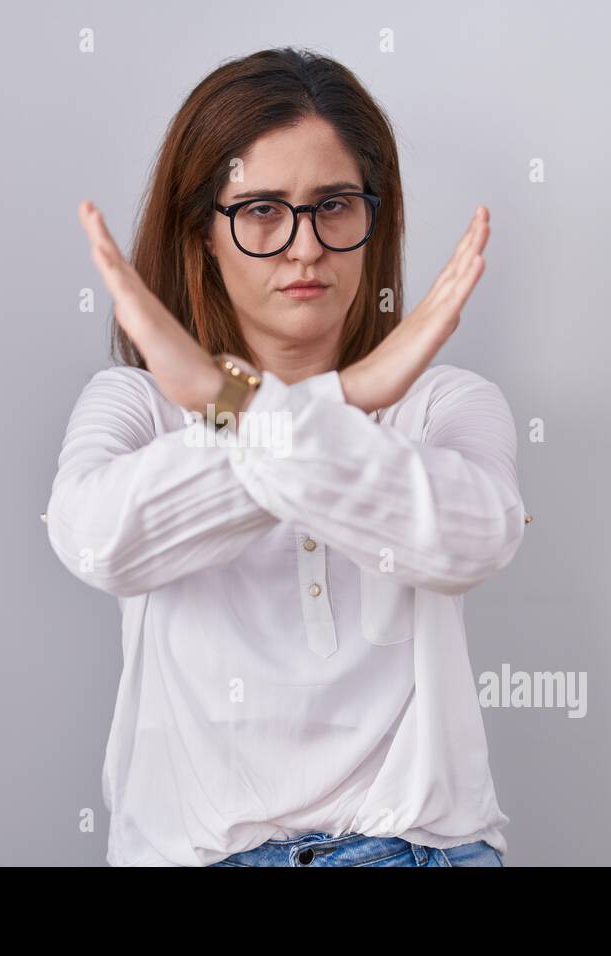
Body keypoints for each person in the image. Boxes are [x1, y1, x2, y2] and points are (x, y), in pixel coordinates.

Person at [45, 47, 527, 867]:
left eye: (333, 205)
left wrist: (236, 406)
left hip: (416, 853)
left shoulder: (447, 402)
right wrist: (340, 402)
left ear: (376, 219)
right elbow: (99, 544)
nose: (305, 247)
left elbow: (474, 539)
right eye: (262, 210)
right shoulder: (133, 405)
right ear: (203, 233)